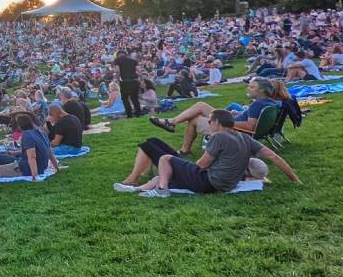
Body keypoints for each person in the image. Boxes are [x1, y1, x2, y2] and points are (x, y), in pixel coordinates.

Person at [115, 109, 300, 197]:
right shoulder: (244, 138)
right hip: (219, 181)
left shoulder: (219, 138)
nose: (208, 125)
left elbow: (202, 165)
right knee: (153, 144)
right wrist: (294, 179)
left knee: (164, 158)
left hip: (208, 180)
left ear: (217, 123)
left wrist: (183, 168)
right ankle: (136, 187)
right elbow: (273, 156)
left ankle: (160, 189)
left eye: (210, 122)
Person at [150, 77, 281, 155]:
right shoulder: (269, 102)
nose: (248, 89)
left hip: (233, 130)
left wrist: (226, 121)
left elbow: (250, 126)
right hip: (237, 125)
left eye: (252, 87)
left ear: (262, 90)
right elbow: (251, 121)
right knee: (199, 108)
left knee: (196, 115)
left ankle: (179, 139)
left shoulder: (258, 104)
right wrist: (238, 114)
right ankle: (172, 124)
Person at [0, 115, 58, 179]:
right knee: (0, 156)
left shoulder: (27, 135)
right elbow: (50, 153)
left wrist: (35, 177)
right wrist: (57, 168)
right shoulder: (41, 133)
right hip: (37, 166)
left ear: (19, 126)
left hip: (25, 169)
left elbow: (32, 157)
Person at [114, 50, 142, 117]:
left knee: (125, 98)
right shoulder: (133, 60)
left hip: (125, 82)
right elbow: (139, 71)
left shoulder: (117, 60)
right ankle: (138, 114)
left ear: (118, 55)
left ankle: (129, 115)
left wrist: (116, 80)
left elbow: (118, 71)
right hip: (134, 81)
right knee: (135, 98)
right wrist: (140, 80)